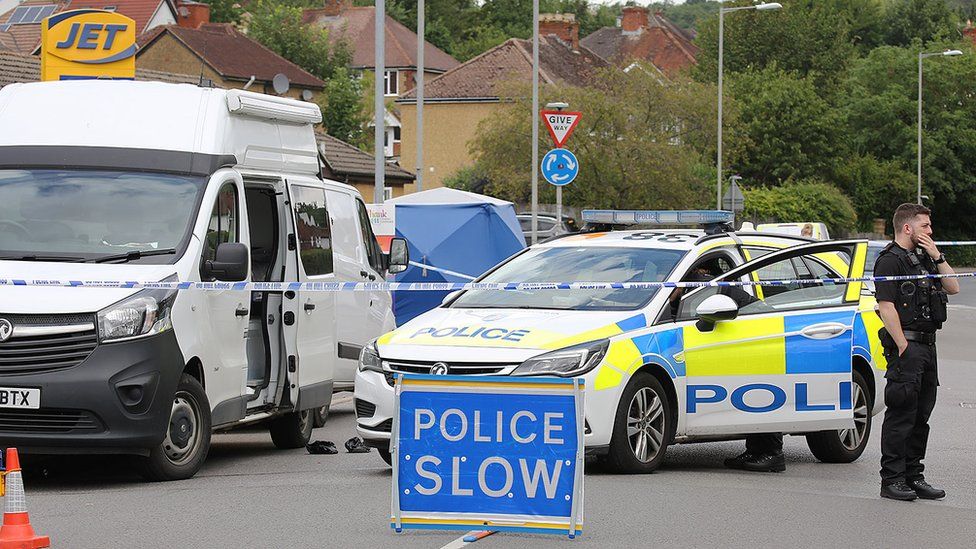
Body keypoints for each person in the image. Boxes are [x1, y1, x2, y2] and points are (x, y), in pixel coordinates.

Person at [874, 203, 960, 501]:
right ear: (907, 227)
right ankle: (892, 480)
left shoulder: (924, 258)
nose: (930, 231)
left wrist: (937, 255)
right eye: (925, 226)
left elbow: (953, 287)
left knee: (922, 414)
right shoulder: (889, 261)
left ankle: (914, 475)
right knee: (902, 413)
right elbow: (886, 306)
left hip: (928, 344)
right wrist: (902, 345)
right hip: (907, 345)